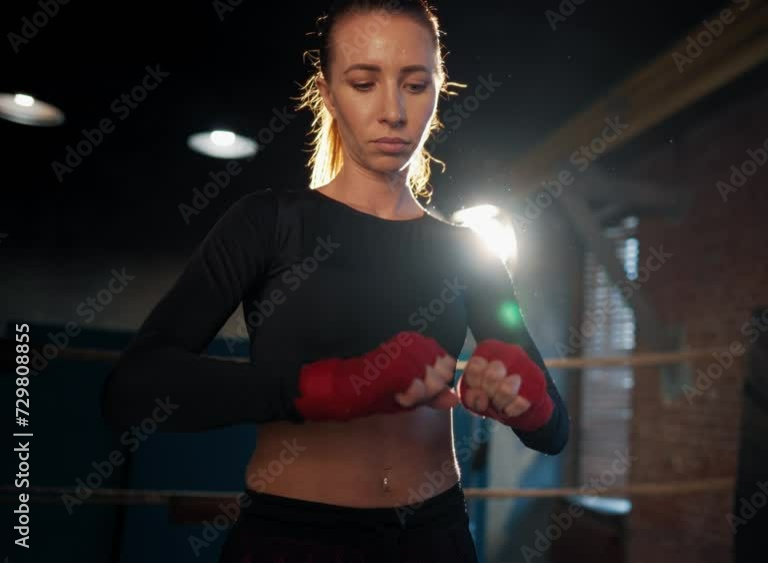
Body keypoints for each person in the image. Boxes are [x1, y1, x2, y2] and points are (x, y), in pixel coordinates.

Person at [99, 1, 570, 561]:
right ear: (327, 93)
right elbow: (132, 389)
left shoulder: (467, 251)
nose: (393, 111)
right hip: (294, 538)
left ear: (439, 92)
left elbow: (555, 431)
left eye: (415, 85)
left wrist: (525, 399)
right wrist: (322, 388)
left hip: (434, 537)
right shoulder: (270, 222)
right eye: (364, 82)